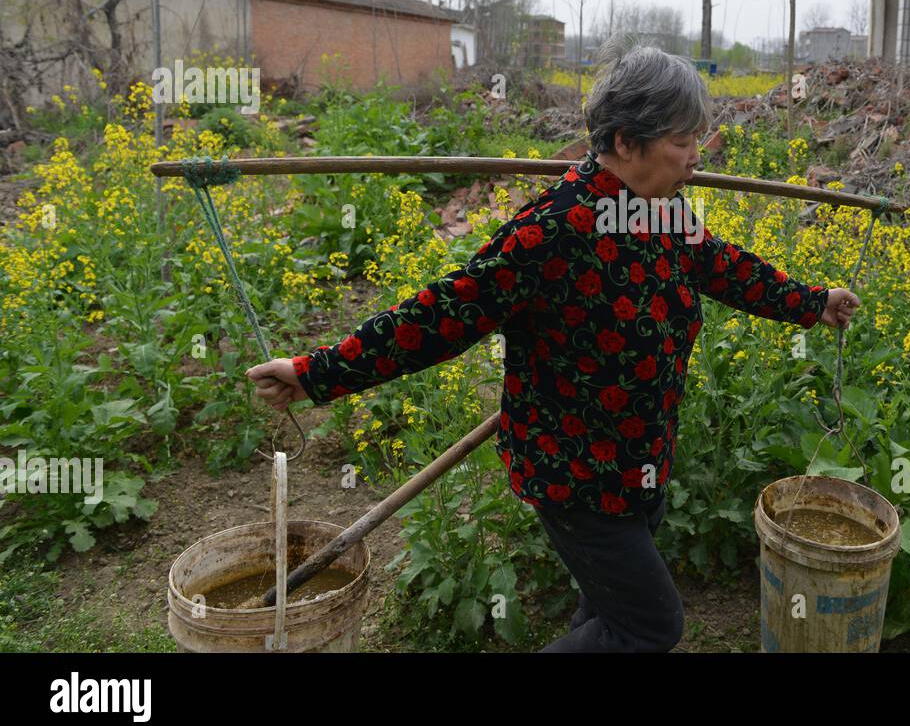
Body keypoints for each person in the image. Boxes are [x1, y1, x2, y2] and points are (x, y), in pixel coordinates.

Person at [246, 39, 861, 652]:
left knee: (608, 613)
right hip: (578, 481)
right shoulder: (552, 231)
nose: (695, 158)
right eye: (681, 141)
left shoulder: (660, 212)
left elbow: (725, 267)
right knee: (650, 627)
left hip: (643, 461)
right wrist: (316, 373)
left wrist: (811, 302)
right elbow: (440, 316)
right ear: (626, 142)